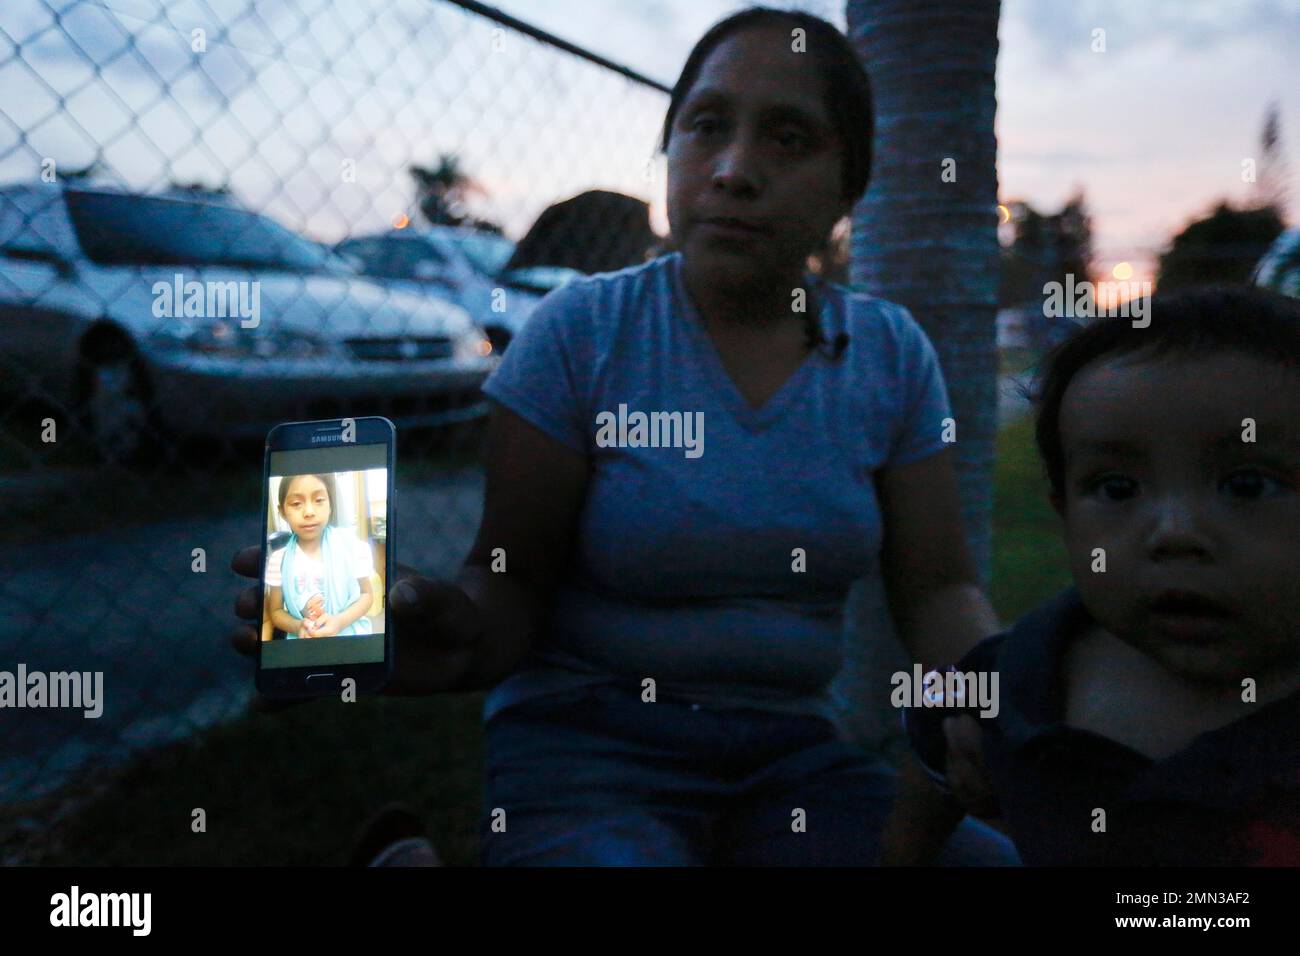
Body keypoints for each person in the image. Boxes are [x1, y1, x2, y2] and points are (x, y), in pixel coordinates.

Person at [234, 6, 1016, 866]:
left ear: (848, 189)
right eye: (708, 126)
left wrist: (990, 696)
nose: (734, 170)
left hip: (794, 752)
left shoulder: (890, 354)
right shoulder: (581, 332)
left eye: (789, 138)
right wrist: (447, 632)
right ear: (670, 152)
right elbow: (512, 579)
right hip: (586, 741)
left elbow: (939, 591)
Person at [896, 287, 1300, 866]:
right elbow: (921, 768)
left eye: (1246, 485)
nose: (1175, 533)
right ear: (1064, 512)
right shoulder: (1019, 677)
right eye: (1117, 489)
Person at [265, 473, 374, 639]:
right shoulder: (278, 560)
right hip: (304, 645)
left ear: (330, 505)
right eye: (296, 503)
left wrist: (340, 621)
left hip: (351, 639)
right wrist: (298, 626)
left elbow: (367, 595)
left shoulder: (352, 547)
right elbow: (276, 611)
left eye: (319, 500)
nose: (309, 512)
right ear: (282, 511)